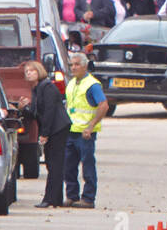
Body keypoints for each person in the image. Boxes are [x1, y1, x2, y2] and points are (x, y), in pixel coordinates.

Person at [18, 60, 70, 208]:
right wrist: (23, 108)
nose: (29, 73)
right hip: (52, 129)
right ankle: (55, 198)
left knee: (55, 164)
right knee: (52, 164)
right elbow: (35, 115)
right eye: (26, 71)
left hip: (58, 129)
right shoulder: (36, 89)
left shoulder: (47, 87)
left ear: (39, 71)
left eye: (32, 70)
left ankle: (50, 199)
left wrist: (45, 134)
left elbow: (49, 112)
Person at [63, 51, 109, 209]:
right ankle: (71, 196)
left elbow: (103, 105)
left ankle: (88, 198)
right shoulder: (71, 83)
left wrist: (91, 126)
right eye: (71, 65)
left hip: (85, 134)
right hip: (70, 131)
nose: (73, 68)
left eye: (77, 65)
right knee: (68, 166)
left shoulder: (92, 85)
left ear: (85, 66)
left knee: (87, 166)